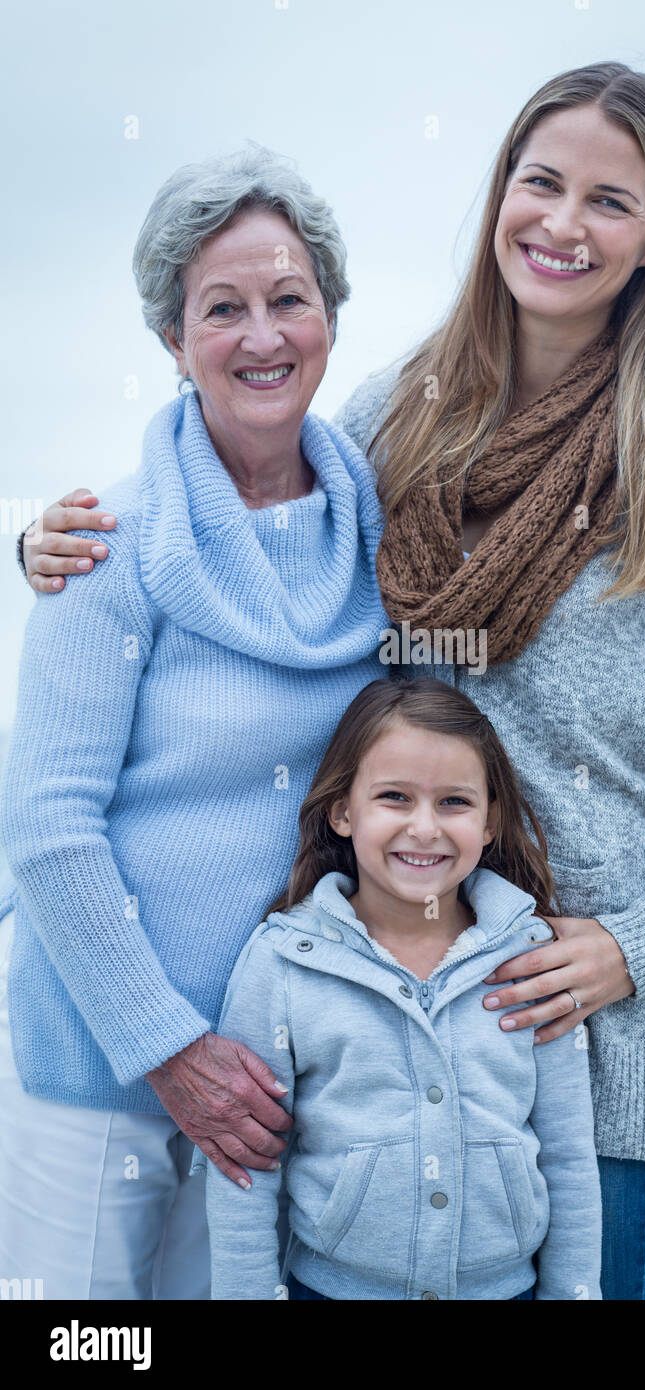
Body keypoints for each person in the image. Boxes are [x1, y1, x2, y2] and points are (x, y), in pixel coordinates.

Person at [12, 63, 645, 1300]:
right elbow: (243, 514)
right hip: (360, 1033)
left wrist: (640, 946)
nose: (561, 224)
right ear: (499, 189)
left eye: (609, 201)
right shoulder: (395, 420)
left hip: (584, 1035)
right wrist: (48, 542)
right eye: (539, 181)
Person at [0, 143, 392, 1299]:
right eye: (222, 308)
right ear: (172, 341)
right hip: (99, 1061)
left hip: (281, 1074)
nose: (262, 336)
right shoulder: (104, 545)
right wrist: (167, 1049)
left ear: (330, 316)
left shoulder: (383, 544)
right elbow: (49, 826)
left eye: (289, 299)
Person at [199, 675, 602, 1301]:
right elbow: (246, 1162)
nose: (424, 828)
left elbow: (570, 1159)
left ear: (491, 821)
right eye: (394, 797)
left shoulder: (532, 959)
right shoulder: (284, 961)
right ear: (342, 811)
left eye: (454, 803)